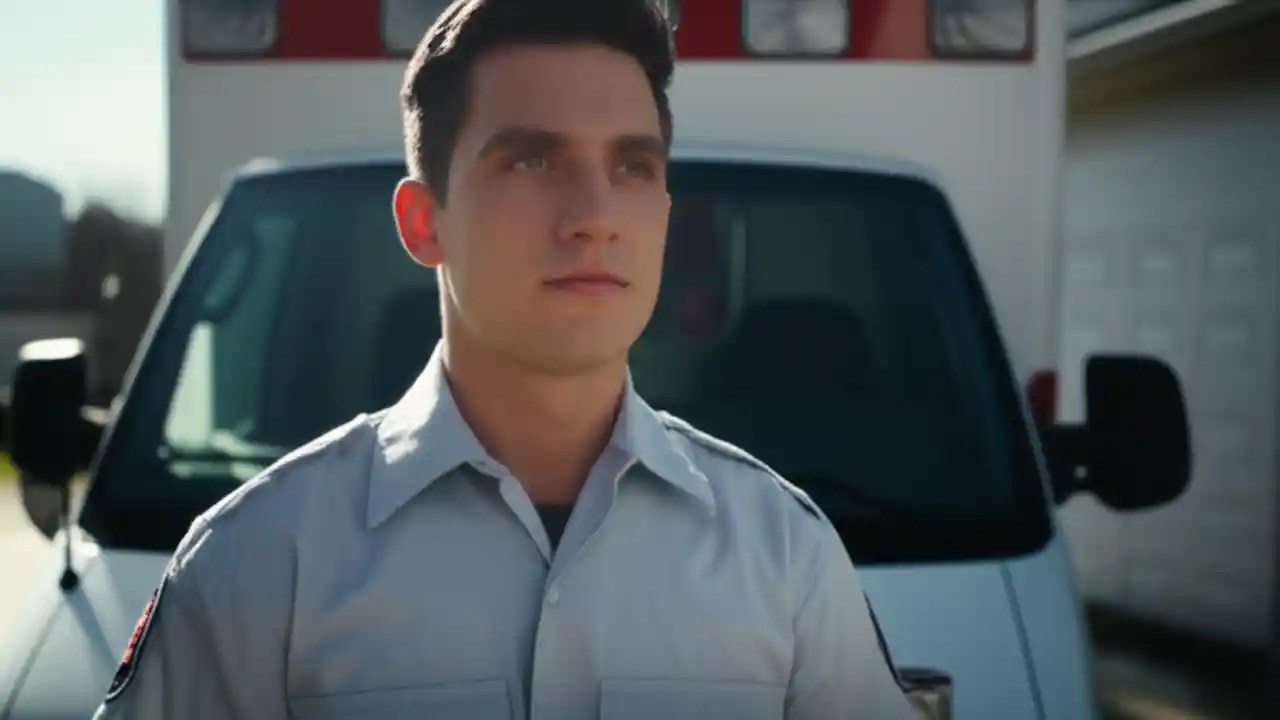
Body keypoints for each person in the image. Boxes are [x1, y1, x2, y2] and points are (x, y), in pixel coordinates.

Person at [92, 0, 915, 717]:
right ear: (424, 223)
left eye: (632, 166)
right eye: (532, 160)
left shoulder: (786, 558)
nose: (595, 215)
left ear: (664, 213)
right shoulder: (259, 566)